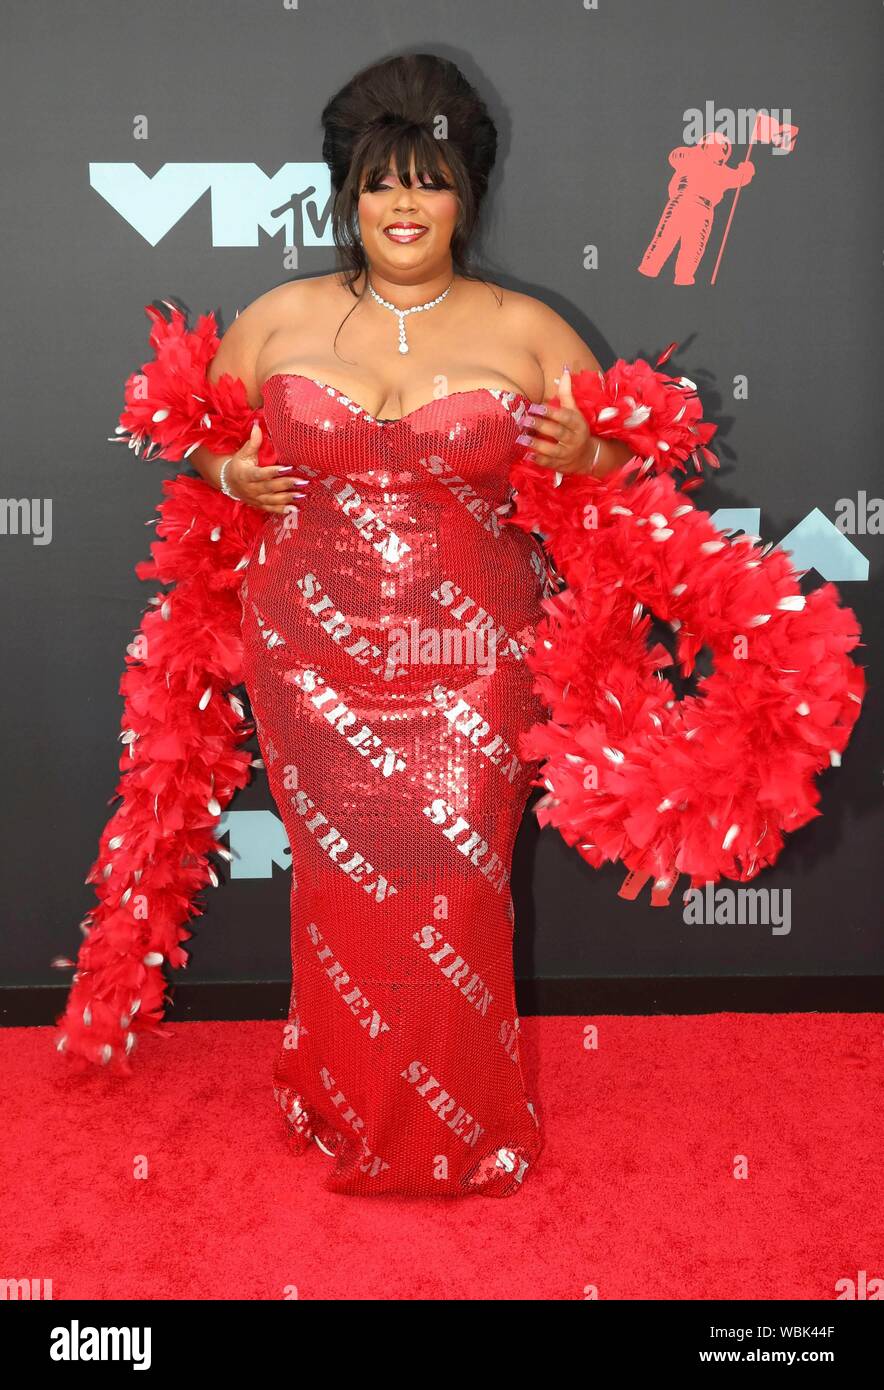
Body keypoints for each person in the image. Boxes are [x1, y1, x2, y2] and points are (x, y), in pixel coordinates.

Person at [182, 52, 632, 1197]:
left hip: (474, 660)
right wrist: (227, 472)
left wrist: (589, 452)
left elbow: (628, 461)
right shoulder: (279, 315)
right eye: (381, 183)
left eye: (427, 183)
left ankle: (460, 1122)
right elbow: (195, 432)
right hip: (308, 648)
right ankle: (335, 1098)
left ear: (464, 196)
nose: (402, 206)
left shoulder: (530, 327)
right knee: (336, 882)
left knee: (455, 880)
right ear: (349, 193)